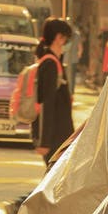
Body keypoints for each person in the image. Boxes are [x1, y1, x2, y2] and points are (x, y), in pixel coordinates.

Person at [34, 17, 74, 166]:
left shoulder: (53, 62)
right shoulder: (50, 64)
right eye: (67, 39)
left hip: (59, 135)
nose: (66, 44)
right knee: (54, 180)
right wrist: (44, 141)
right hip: (55, 136)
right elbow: (47, 103)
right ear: (59, 38)